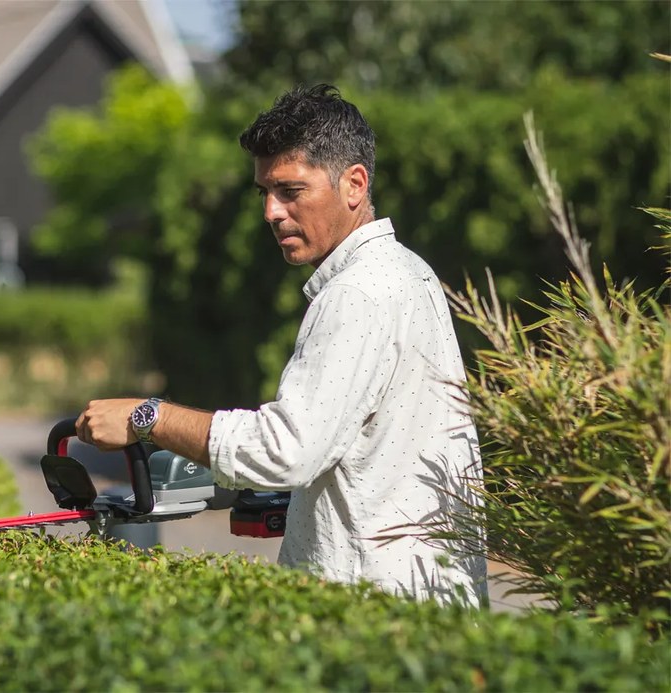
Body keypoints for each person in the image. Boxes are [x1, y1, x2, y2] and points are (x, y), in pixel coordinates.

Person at [76, 84, 487, 605]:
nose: (271, 212)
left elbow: (285, 450)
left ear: (354, 184)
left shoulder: (358, 291)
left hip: (375, 616)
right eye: (265, 192)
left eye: (291, 191)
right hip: (425, 599)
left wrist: (146, 416)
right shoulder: (407, 272)